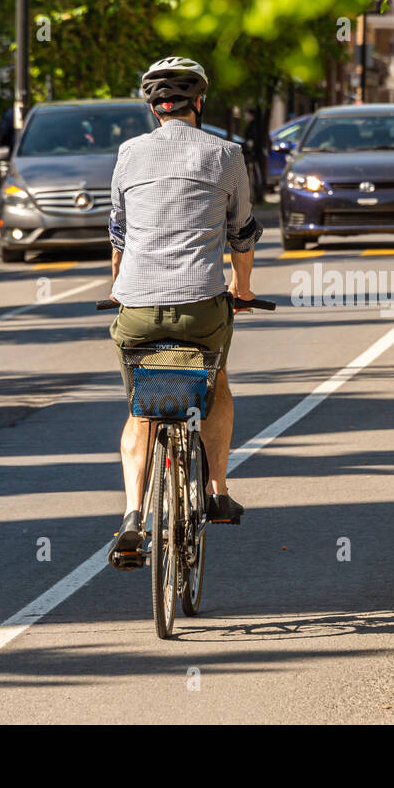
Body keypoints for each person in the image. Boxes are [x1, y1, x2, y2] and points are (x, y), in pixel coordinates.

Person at [105, 56, 263, 569]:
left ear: (154, 109)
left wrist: (117, 289)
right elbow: (241, 233)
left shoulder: (128, 154)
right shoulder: (225, 154)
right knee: (214, 386)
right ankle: (217, 489)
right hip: (201, 306)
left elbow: (120, 233)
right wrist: (242, 288)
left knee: (141, 407)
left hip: (139, 308)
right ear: (199, 103)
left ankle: (132, 515)